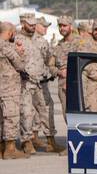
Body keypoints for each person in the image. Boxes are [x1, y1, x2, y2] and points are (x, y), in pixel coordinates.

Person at [16, 14, 63, 154]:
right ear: (23, 23)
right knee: (26, 112)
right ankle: (27, 142)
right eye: (29, 24)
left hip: (42, 83)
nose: (31, 27)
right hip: (25, 83)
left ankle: (51, 141)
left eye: (33, 24)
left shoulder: (42, 41)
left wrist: (52, 71)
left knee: (47, 109)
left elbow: (50, 59)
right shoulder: (16, 40)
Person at [0, 22, 29, 159]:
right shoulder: (6, 46)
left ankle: (1, 148)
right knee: (11, 117)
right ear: (10, 33)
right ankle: (10, 149)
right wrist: (21, 53)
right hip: (9, 88)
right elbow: (20, 65)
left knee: (1, 118)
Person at [52, 16, 80, 127]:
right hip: (63, 87)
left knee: (81, 117)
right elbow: (50, 65)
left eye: (65, 25)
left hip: (78, 86)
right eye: (60, 26)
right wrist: (59, 72)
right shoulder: (58, 46)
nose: (62, 28)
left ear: (71, 26)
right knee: (67, 116)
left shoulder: (81, 43)